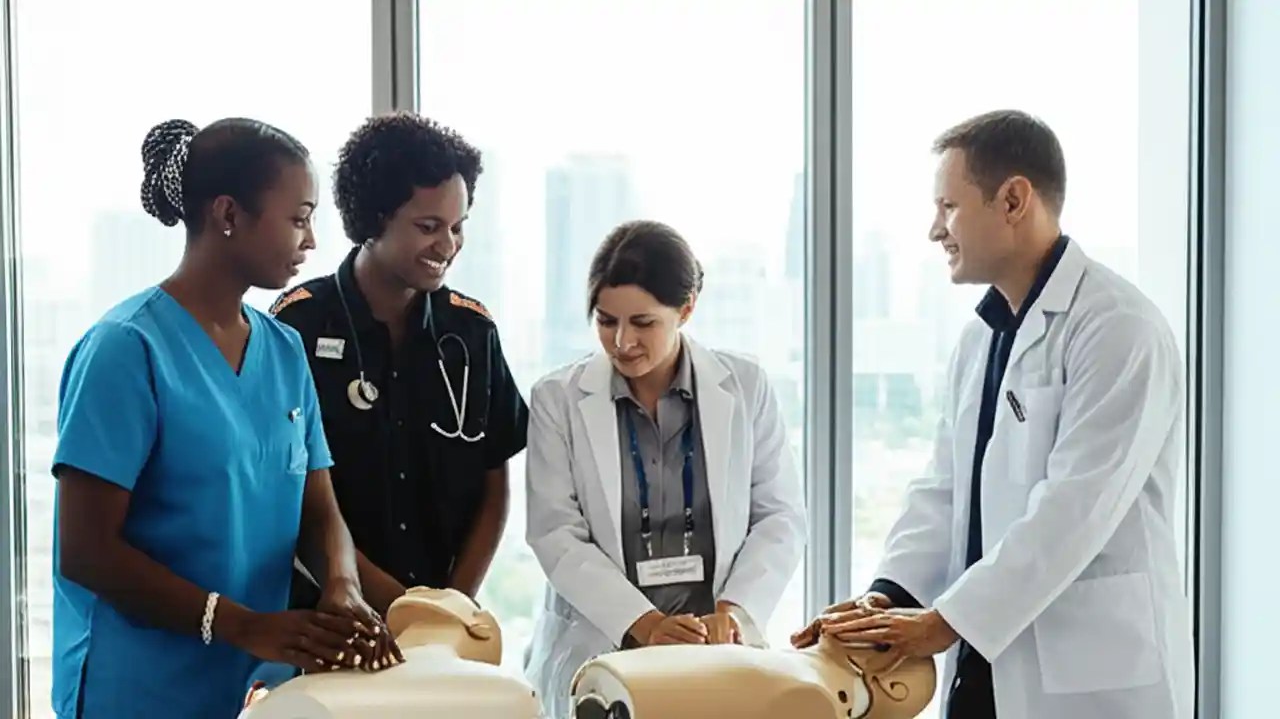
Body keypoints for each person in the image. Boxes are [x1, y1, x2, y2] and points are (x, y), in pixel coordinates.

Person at [793, 110, 1194, 718]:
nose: (935, 230)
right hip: (987, 664)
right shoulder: (981, 338)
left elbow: (1075, 508)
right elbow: (945, 490)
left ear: (1012, 200)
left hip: (1091, 675)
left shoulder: (1119, 328)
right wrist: (887, 596)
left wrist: (945, 620)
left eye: (948, 207)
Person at [51, 118, 400, 719]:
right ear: (228, 214)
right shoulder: (125, 350)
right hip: (138, 687)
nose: (311, 240)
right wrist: (239, 625)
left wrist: (341, 585)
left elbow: (319, 509)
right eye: (298, 218)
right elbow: (85, 552)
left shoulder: (285, 350)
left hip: (257, 689)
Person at [523, 219, 807, 718]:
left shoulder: (745, 386)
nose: (621, 342)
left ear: (687, 308)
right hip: (605, 646)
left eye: (643, 322)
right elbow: (555, 534)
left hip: (714, 648)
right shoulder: (558, 399)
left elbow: (780, 516)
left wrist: (734, 610)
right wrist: (645, 623)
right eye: (606, 320)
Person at [270, 112, 528, 617]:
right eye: (428, 227)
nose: (448, 246)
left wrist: (453, 604)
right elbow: (293, 495)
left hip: (444, 621)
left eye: (458, 227)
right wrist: (402, 606)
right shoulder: (295, 327)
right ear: (374, 218)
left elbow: (494, 484)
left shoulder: (473, 334)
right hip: (331, 617)